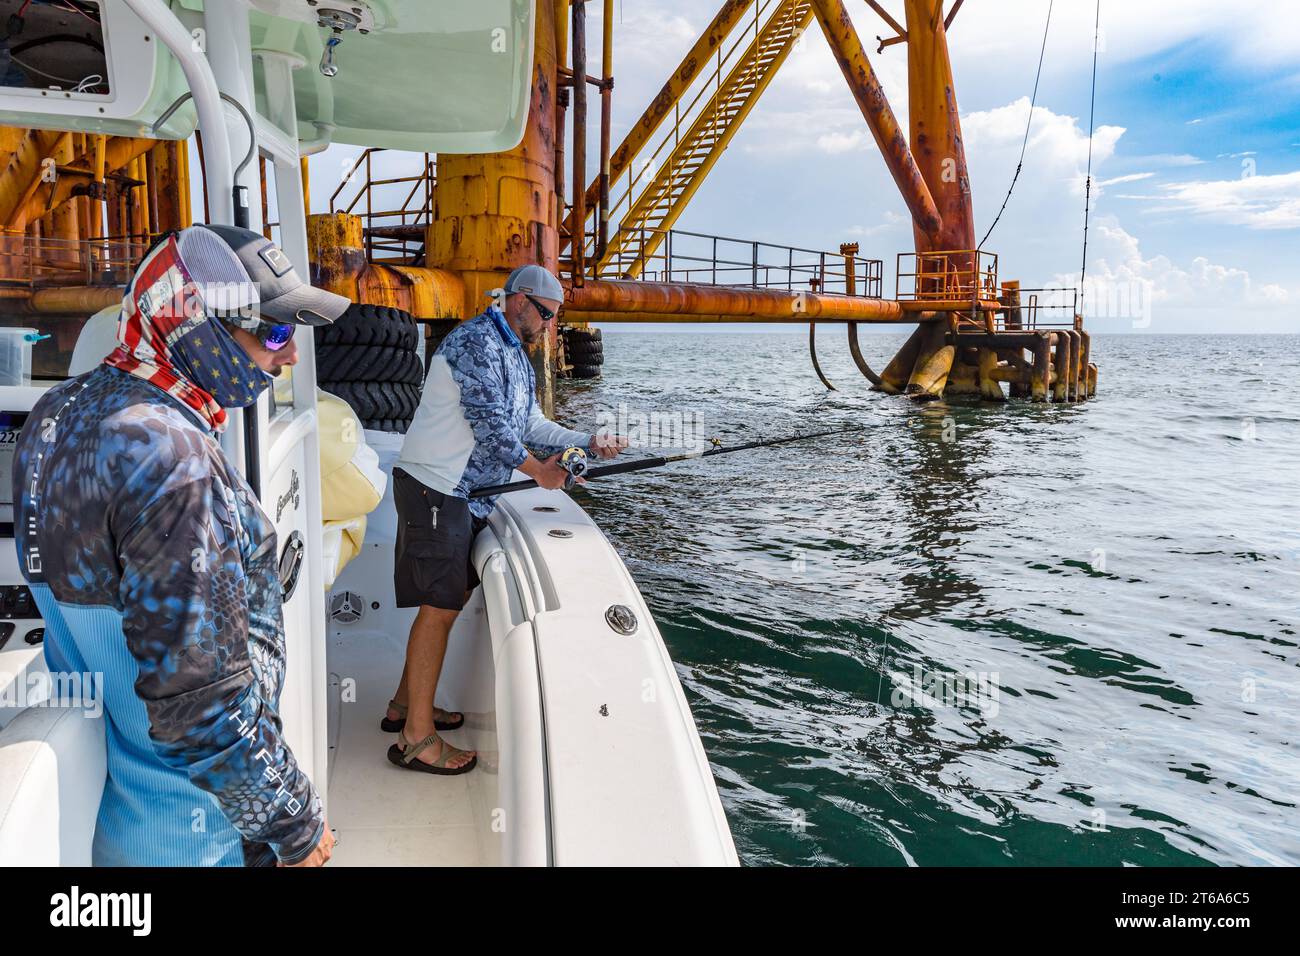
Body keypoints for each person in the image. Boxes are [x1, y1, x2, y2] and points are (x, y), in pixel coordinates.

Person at [13, 224, 348, 867]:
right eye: (274, 333)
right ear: (199, 329)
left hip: (121, 821)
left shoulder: (55, 414)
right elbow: (205, 705)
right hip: (194, 835)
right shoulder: (172, 461)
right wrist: (297, 825)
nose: (290, 355)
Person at [384, 264, 625, 774]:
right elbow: (492, 427)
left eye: (554, 317)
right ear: (519, 301)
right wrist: (539, 471)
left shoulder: (516, 353)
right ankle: (416, 739)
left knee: (451, 598)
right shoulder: (476, 342)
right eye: (545, 313)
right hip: (437, 488)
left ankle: (404, 707)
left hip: (466, 494)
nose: (548, 324)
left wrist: (584, 442)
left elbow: (529, 422)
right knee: (438, 608)